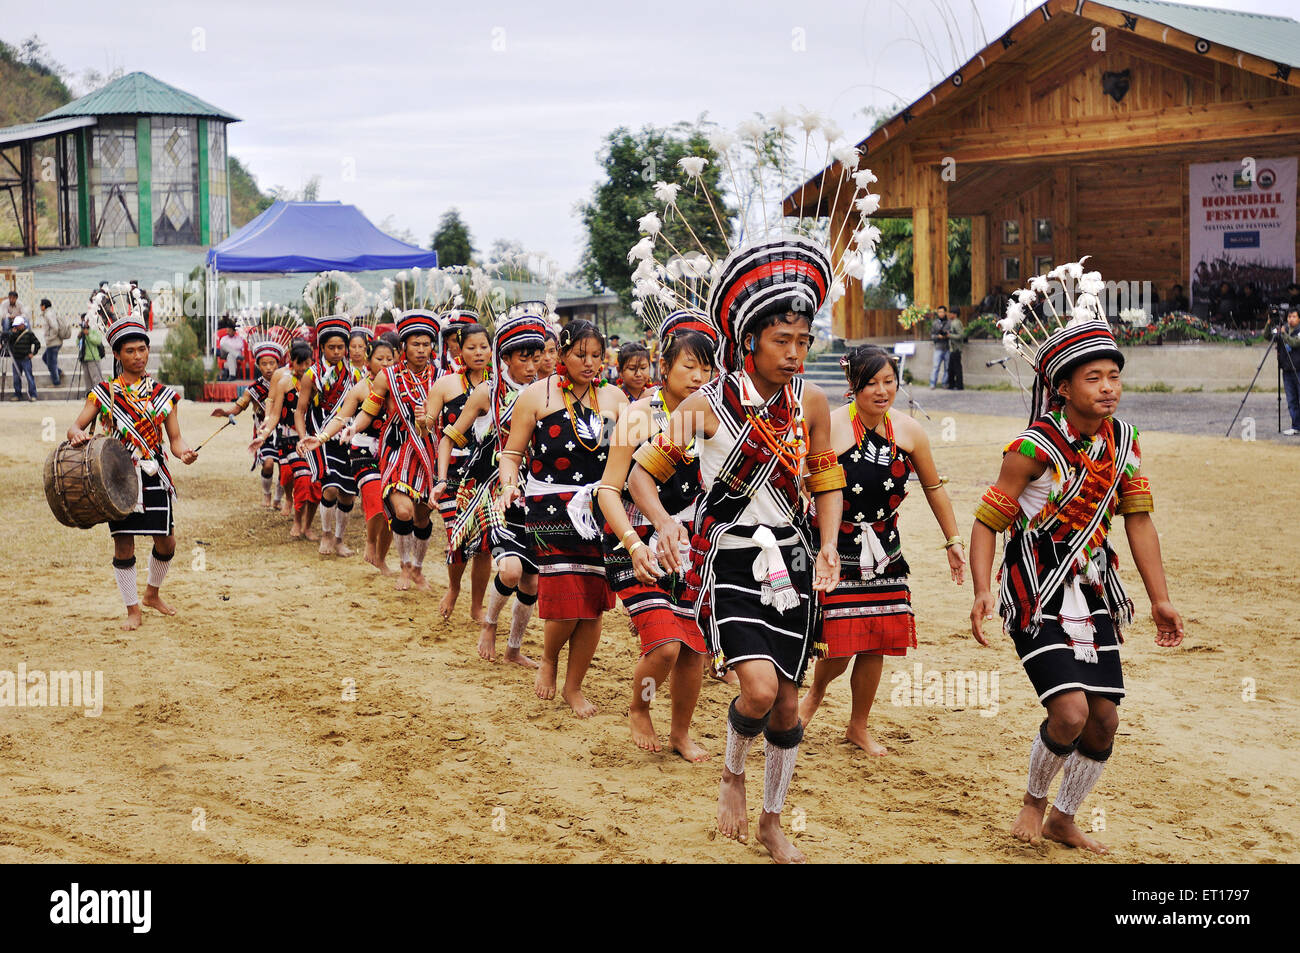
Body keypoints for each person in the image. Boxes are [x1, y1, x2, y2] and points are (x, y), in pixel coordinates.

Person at [632, 237, 845, 864]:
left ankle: (773, 819)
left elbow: (826, 478)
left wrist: (829, 543)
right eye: (783, 341)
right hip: (727, 558)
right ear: (750, 340)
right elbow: (642, 474)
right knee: (755, 691)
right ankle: (731, 777)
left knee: (784, 702)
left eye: (804, 342)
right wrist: (665, 519)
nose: (795, 354)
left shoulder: (810, 401)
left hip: (796, 561)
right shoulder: (708, 404)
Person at [970, 272, 1183, 853]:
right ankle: (1033, 804)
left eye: (1115, 376)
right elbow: (989, 520)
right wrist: (984, 590)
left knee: (1104, 720)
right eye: (1094, 378)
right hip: (1035, 585)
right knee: (1068, 713)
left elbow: (1137, 521)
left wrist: (1160, 597)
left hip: (1092, 587)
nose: (1109, 387)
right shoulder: (1031, 448)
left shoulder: (1126, 443)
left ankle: (1065, 816)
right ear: (1062, 387)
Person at [798, 345, 965, 754]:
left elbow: (933, 488)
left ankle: (859, 725)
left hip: (886, 549)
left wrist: (953, 540)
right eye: (870, 382)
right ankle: (813, 698)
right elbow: (804, 481)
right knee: (840, 642)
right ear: (852, 385)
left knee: (876, 640)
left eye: (888, 381)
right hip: (834, 547)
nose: (881, 390)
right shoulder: (830, 427)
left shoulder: (909, 431)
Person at [600, 311, 717, 761]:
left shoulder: (715, 417)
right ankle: (639, 706)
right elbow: (610, 489)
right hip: (637, 537)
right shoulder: (636, 416)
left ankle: (681, 733)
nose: (699, 377)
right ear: (662, 366)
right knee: (666, 645)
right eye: (689, 366)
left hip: (696, 541)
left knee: (693, 647)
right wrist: (633, 543)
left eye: (707, 368)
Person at [498, 319, 628, 717]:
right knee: (569, 597)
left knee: (593, 602)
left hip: (601, 509)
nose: (589, 363)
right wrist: (507, 485)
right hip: (549, 508)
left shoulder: (617, 399)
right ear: (562, 355)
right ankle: (550, 660)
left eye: (596, 356)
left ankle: (575, 687)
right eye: (579, 355)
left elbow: (633, 456)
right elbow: (512, 453)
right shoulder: (537, 395)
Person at [65, 305, 198, 630]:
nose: (138, 356)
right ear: (117, 354)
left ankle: (152, 593)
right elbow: (75, 427)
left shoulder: (164, 395)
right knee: (124, 543)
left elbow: (175, 439)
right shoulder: (103, 394)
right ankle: (132, 609)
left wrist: (184, 453)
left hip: (155, 475)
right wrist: (79, 434)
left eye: (142, 349)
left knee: (166, 541)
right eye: (130, 351)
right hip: (117, 479)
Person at [445, 311, 547, 665]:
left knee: (532, 582)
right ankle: (488, 624)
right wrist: (443, 478)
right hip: (493, 489)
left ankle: (514, 649)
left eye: (537, 358)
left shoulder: (548, 394)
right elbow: (452, 436)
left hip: (536, 493)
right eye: (524, 359)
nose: (532, 366)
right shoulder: (487, 392)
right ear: (504, 358)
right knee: (511, 571)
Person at [320, 311, 439, 592]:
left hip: (427, 454)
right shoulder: (388, 378)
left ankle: (419, 569)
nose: (421, 350)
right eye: (415, 344)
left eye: (426, 344)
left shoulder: (443, 377)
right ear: (402, 350)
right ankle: (405, 566)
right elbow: (368, 411)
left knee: (422, 516)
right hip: (397, 452)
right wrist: (348, 429)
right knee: (402, 510)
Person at [423, 320, 493, 620]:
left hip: (487, 472)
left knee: (485, 546)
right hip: (452, 471)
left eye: (484, 347)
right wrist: (422, 420)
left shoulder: (499, 385)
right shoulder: (445, 384)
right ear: (458, 350)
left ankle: (477, 605)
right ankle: (454, 588)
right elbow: (433, 429)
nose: (478, 353)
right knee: (458, 538)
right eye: (471, 348)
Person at [295, 316, 364, 556]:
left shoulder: (355, 376)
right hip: (319, 437)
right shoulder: (311, 375)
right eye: (331, 347)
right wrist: (303, 438)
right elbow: (301, 411)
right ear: (321, 348)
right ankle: (325, 534)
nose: (336, 352)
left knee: (348, 493)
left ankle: (339, 539)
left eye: (340, 347)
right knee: (331, 487)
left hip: (345, 437)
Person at [328, 337, 397, 573]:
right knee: (374, 494)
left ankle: (381, 557)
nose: (385, 364)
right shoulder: (360, 389)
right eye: (380, 359)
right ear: (368, 361)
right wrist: (321, 438)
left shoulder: (401, 387)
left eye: (390, 359)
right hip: (363, 449)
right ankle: (369, 541)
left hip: (392, 451)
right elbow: (341, 417)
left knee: (392, 509)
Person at [210, 335, 285, 507]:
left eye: (272, 363)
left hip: (283, 431)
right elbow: (239, 407)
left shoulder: (286, 383)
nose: (268, 368)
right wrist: (226, 412)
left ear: (278, 364)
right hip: (263, 432)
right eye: (264, 364)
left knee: (285, 468)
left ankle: (279, 499)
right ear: (258, 365)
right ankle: (266, 494)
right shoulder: (254, 389)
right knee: (268, 464)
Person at [250, 341, 315, 537]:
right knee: (296, 477)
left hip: (312, 440)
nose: (303, 368)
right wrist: (263, 435)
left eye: (307, 363)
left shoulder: (317, 382)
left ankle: (307, 524)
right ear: (291, 362)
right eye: (299, 363)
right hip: (289, 440)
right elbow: (276, 414)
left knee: (313, 484)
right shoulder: (284, 382)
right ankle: (297, 519)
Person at [1276, 308, 1300, 436]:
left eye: (1294, 316)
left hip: (1299, 369)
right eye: (1289, 316)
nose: (1291, 319)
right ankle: (1296, 426)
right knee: (1291, 400)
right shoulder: (1283, 328)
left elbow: (1295, 343)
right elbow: (1267, 336)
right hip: (1287, 369)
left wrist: (1283, 334)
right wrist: (1270, 323)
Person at [7, 316, 40, 400]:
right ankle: (17, 395)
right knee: (16, 378)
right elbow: (9, 343)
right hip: (16, 359)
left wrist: (33, 353)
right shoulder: (13, 333)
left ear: (22, 325)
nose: (16, 327)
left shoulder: (29, 333)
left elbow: (37, 344)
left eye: (17, 325)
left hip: (25, 359)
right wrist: (12, 335)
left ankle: (33, 395)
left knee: (29, 377)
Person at [38, 299, 68, 386]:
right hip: (54, 342)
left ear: (44, 306)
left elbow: (55, 327)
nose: (40, 307)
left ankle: (56, 382)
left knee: (52, 363)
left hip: (53, 342)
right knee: (45, 358)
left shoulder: (48, 314)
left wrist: (49, 338)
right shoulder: (50, 313)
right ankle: (59, 372)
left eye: (41, 305)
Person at [76, 314, 107, 386]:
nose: (84, 322)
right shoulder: (82, 330)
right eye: (82, 320)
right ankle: (89, 395)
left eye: (85, 320)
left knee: (96, 378)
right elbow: (78, 344)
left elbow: (98, 341)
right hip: (84, 357)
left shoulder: (94, 329)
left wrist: (88, 334)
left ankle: (98, 395)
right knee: (87, 379)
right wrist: (78, 337)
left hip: (93, 358)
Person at [928, 304, 950, 388]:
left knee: (947, 367)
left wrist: (947, 334)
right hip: (938, 348)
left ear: (945, 313)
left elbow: (951, 333)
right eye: (939, 312)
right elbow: (932, 336)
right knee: (935, 367)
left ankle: (944, 383)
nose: (940, 313)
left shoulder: (949, 323)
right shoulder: (935, 323)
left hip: (947, 347)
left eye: (942, 312)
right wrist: (938, 336)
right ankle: (932, 383)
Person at [945, 307, 965, 390]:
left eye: (951, 313)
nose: (949, 315)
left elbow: (961, 335)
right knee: (952, 368)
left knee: (956, 368)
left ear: (955, 314)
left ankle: (958, 385)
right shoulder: (954, 322)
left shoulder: (956, 323)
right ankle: (953, 385)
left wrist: (949, 335)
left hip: (956, 348)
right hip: (953, 348)